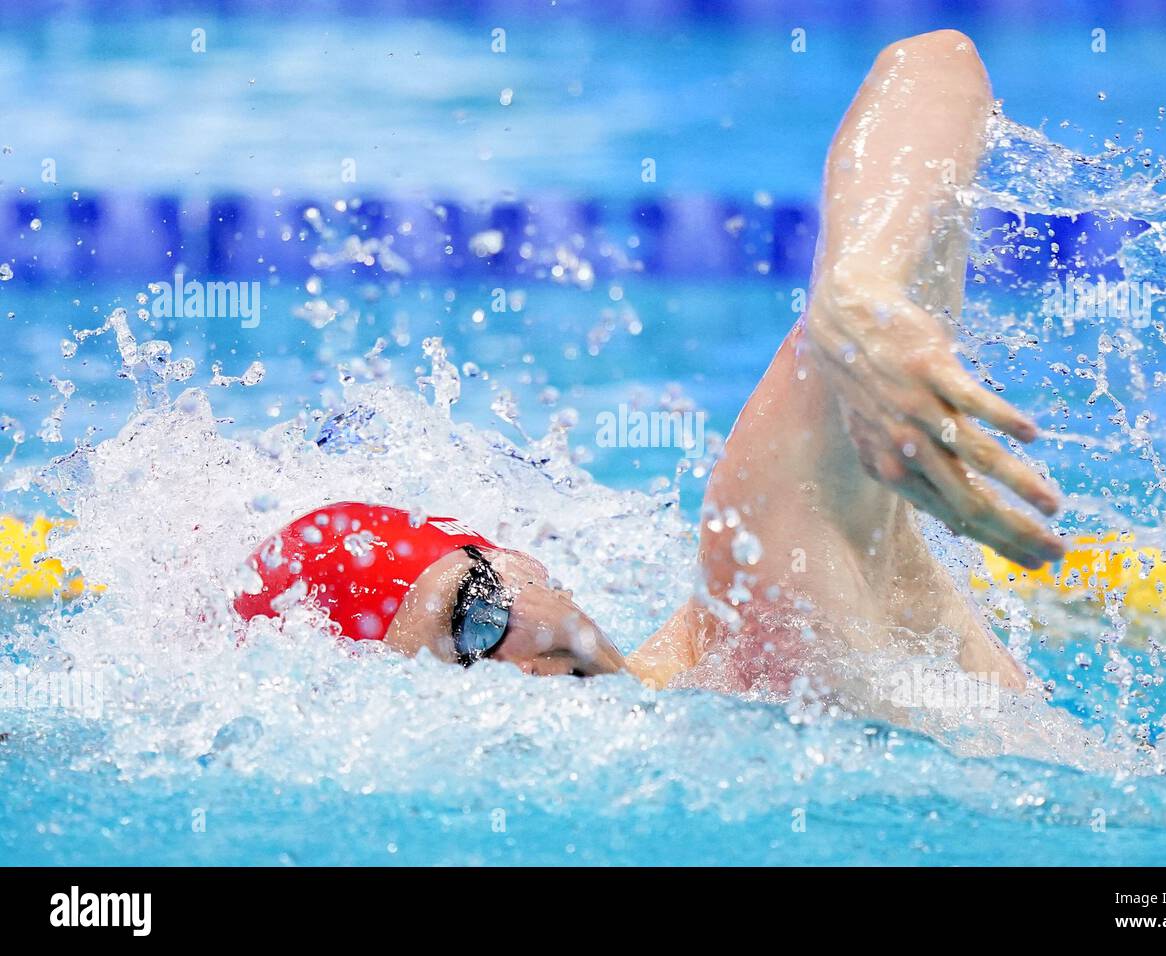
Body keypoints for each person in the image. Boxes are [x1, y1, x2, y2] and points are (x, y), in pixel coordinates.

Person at [234, 30, 1064, 693]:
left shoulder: (765, 609)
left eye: (479, 619)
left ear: (517, 560)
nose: (511, 677)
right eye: (453, 680)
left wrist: (862, 291)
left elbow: (933, 64)